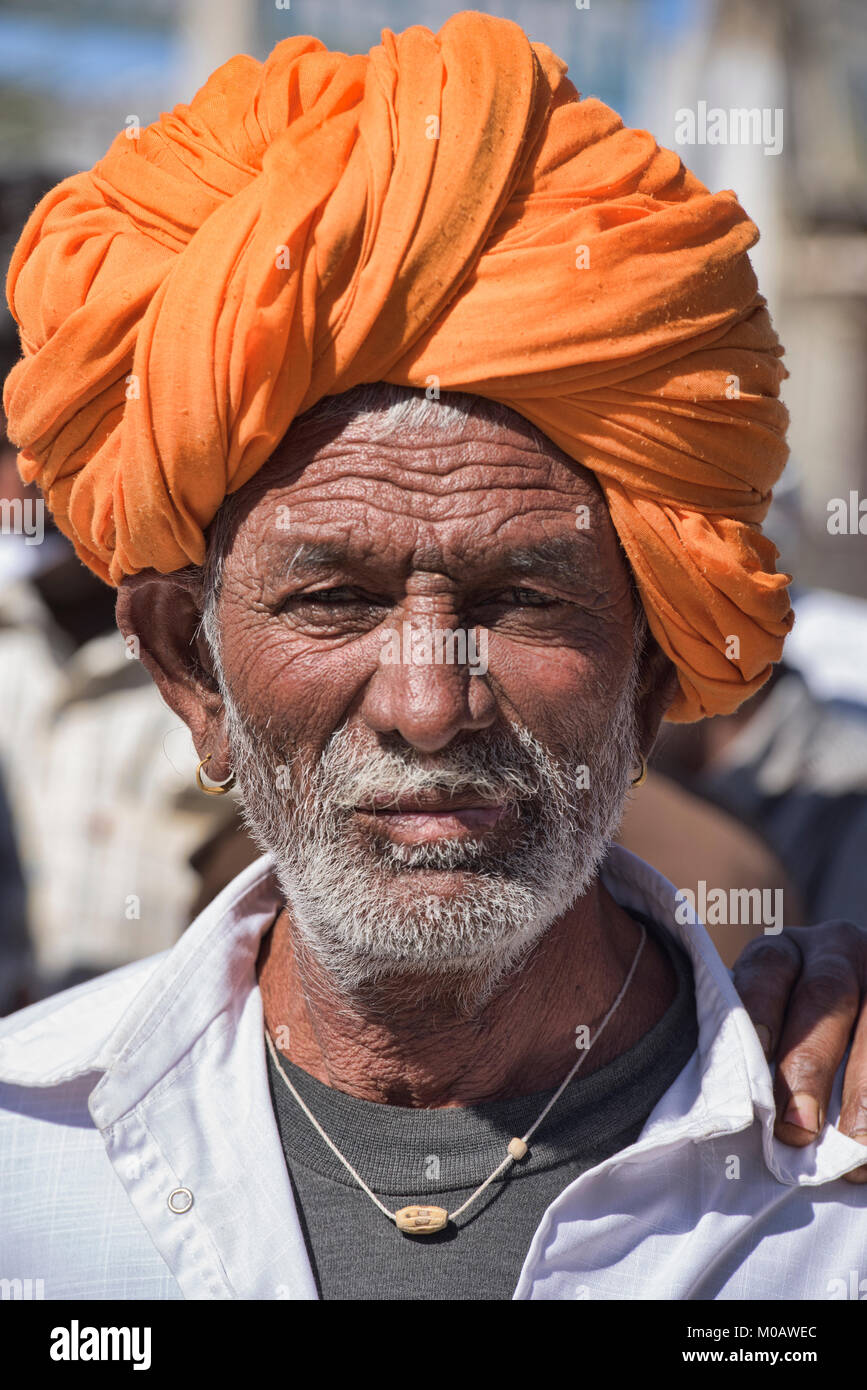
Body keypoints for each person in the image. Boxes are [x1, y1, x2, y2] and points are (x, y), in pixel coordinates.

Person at [1, 14, 866, 1302]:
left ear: (647, 672)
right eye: (335, 598)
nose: (426, 704)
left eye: (520, 598)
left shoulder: (833, 1181)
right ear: (192, 672)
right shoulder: (28, 1160)